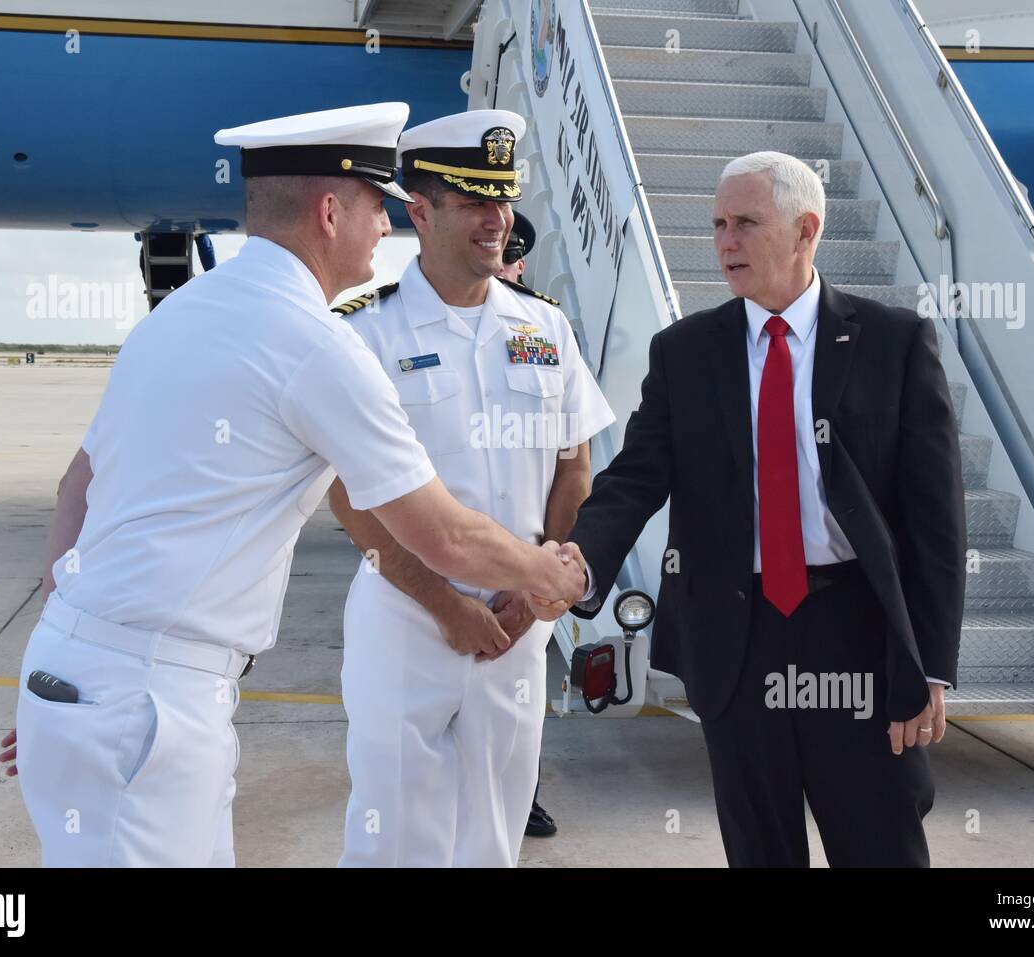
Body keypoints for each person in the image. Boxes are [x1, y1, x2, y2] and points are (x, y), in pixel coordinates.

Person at [9, 103, 586, 867]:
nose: (386, 227)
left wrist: (80, 648)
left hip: (93, 681)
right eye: (377, 205)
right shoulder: (314, 341)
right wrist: (550, 572)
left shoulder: (178, 314)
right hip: (149, 706)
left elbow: (76, 488)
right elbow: (441, 532)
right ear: (329, 211)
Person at [551, 150, 965, 867]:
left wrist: (930, 665)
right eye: (717, 225)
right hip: (736, 643)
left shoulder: (892, 342)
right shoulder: (685, 353)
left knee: (882, 843)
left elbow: (936, 523)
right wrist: (579, 562)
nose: (725, 242)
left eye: (745, 222)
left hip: (856, 636)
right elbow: (634, 479)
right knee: (760, 850)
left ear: (806, 230)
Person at [328, 111, 614, 867]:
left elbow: (573, 468)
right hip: (406, 616)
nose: (499, 220)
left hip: (518, 627)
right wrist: (443, 603)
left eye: (505, 200)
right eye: (476, 202)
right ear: (419, 211)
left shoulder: (545, 327)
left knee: (494, 831)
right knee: (392, 833)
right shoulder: (366, 333)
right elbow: (350, 498)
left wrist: (532, 595)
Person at [491, 210, 558, 840]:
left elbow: (574, 462)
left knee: (521, 712)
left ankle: (527, 795)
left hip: (530, 576)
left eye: (514, 256)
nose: (508, 266)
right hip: (429, 592)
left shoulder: (545, 324)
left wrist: (550, 572)